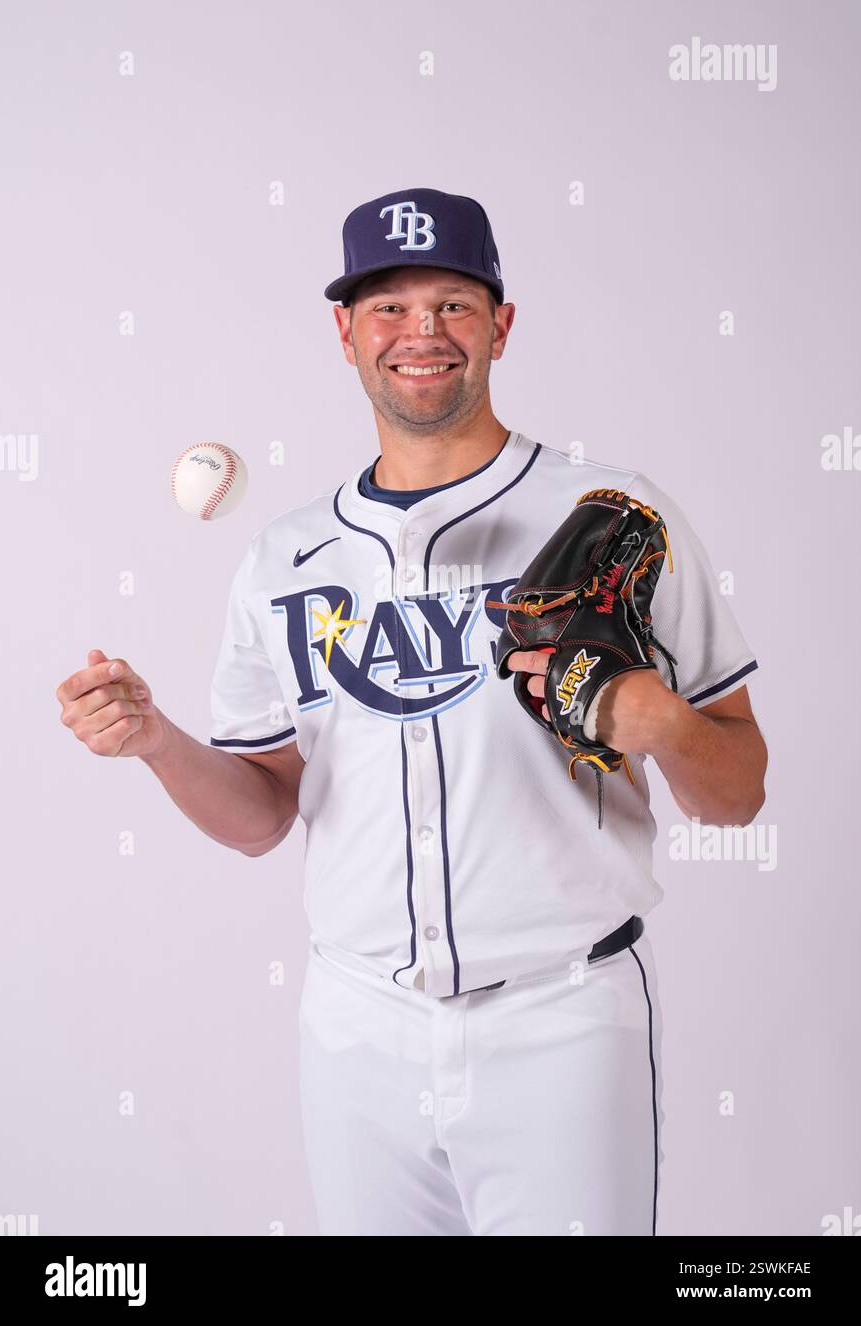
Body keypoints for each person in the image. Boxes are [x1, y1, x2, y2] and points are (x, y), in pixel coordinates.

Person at [56, 187, 767, 1236]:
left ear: (500, 325)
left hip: (562, 1013)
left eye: (452, 304)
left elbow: (739, 791)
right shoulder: (281, 558)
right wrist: (157, 742)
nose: (420, 333)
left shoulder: (612, 514)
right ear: (345, 333)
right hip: (356, 1027)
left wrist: (661, 724)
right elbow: (262, 816)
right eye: (387, 307)